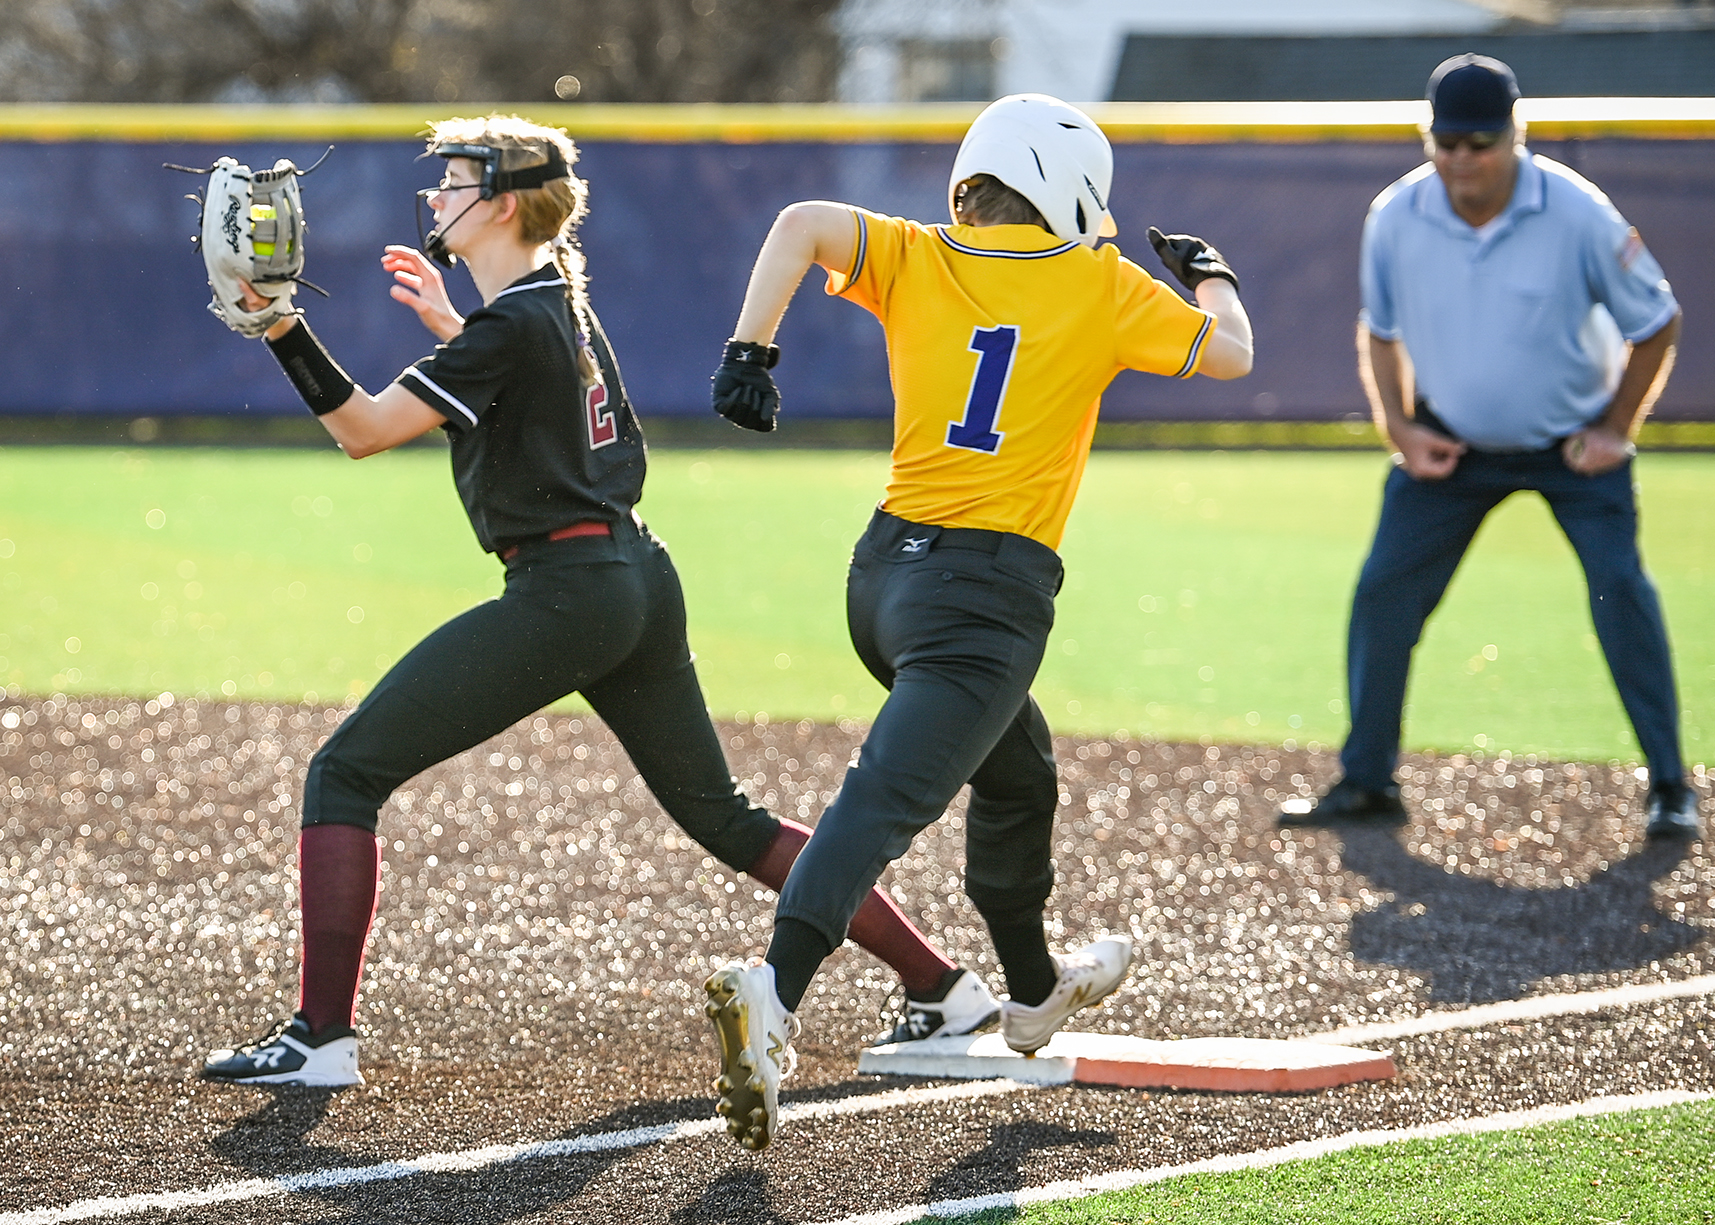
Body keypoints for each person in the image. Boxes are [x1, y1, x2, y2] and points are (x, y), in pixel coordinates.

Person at [199, 114, 998, 1087]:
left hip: (568, 592)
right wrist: (452, 329)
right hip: (634, 577)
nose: (439, 196)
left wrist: (280, 326)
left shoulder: (514, 320)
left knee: (344, 772)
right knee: (729, 820)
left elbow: (363, 429)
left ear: (499, 203)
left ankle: (320, 1038)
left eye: (454, 182)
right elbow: (530, 386)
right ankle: (942, 988)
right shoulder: (554, 299)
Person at [698, 93, 1255, 1150]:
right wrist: (1210, 274)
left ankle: (1035, 994)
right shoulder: (1097, 280)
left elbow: (798, 223)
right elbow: (1229, 355)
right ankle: (773, 995)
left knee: (1018, 775)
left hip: (881, 581)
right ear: (1069, 189)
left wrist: (749, 350)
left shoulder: (915, 252)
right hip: (984, 600)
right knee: (879, 803)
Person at [1280, 56, 1698, 841]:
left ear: (1515, 134)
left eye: (1478, 141)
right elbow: (1380, 329)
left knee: (1620, 592)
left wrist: (1615, 428)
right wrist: (1399, 429)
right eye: (1446, 142)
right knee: (1382, 595)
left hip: (1571, 448)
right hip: (1450, 446)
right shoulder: (1395, 215)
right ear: (1426, 138)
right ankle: (1367, 781)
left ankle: (1670, 785)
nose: (1461, 158)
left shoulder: (1576, 212)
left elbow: (1656, 320)